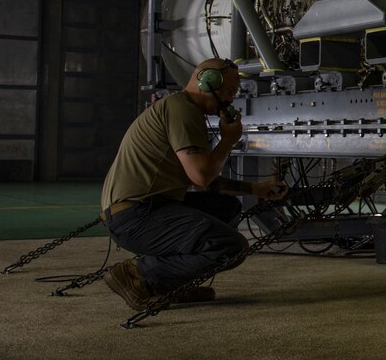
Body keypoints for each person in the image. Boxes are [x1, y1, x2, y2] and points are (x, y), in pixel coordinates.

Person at [99, 57, 287, 310]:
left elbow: (201, 181)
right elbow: (201, 176)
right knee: (230, 246)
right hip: (137, 217)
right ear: (208, 82)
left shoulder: (182, 109)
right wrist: (229, 140)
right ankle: (138, 275)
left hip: (144, 209)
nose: (232, 99)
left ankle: (169, 283)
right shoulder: (182, 110)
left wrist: (255, 189)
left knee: (226, 208)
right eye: (230, 91)